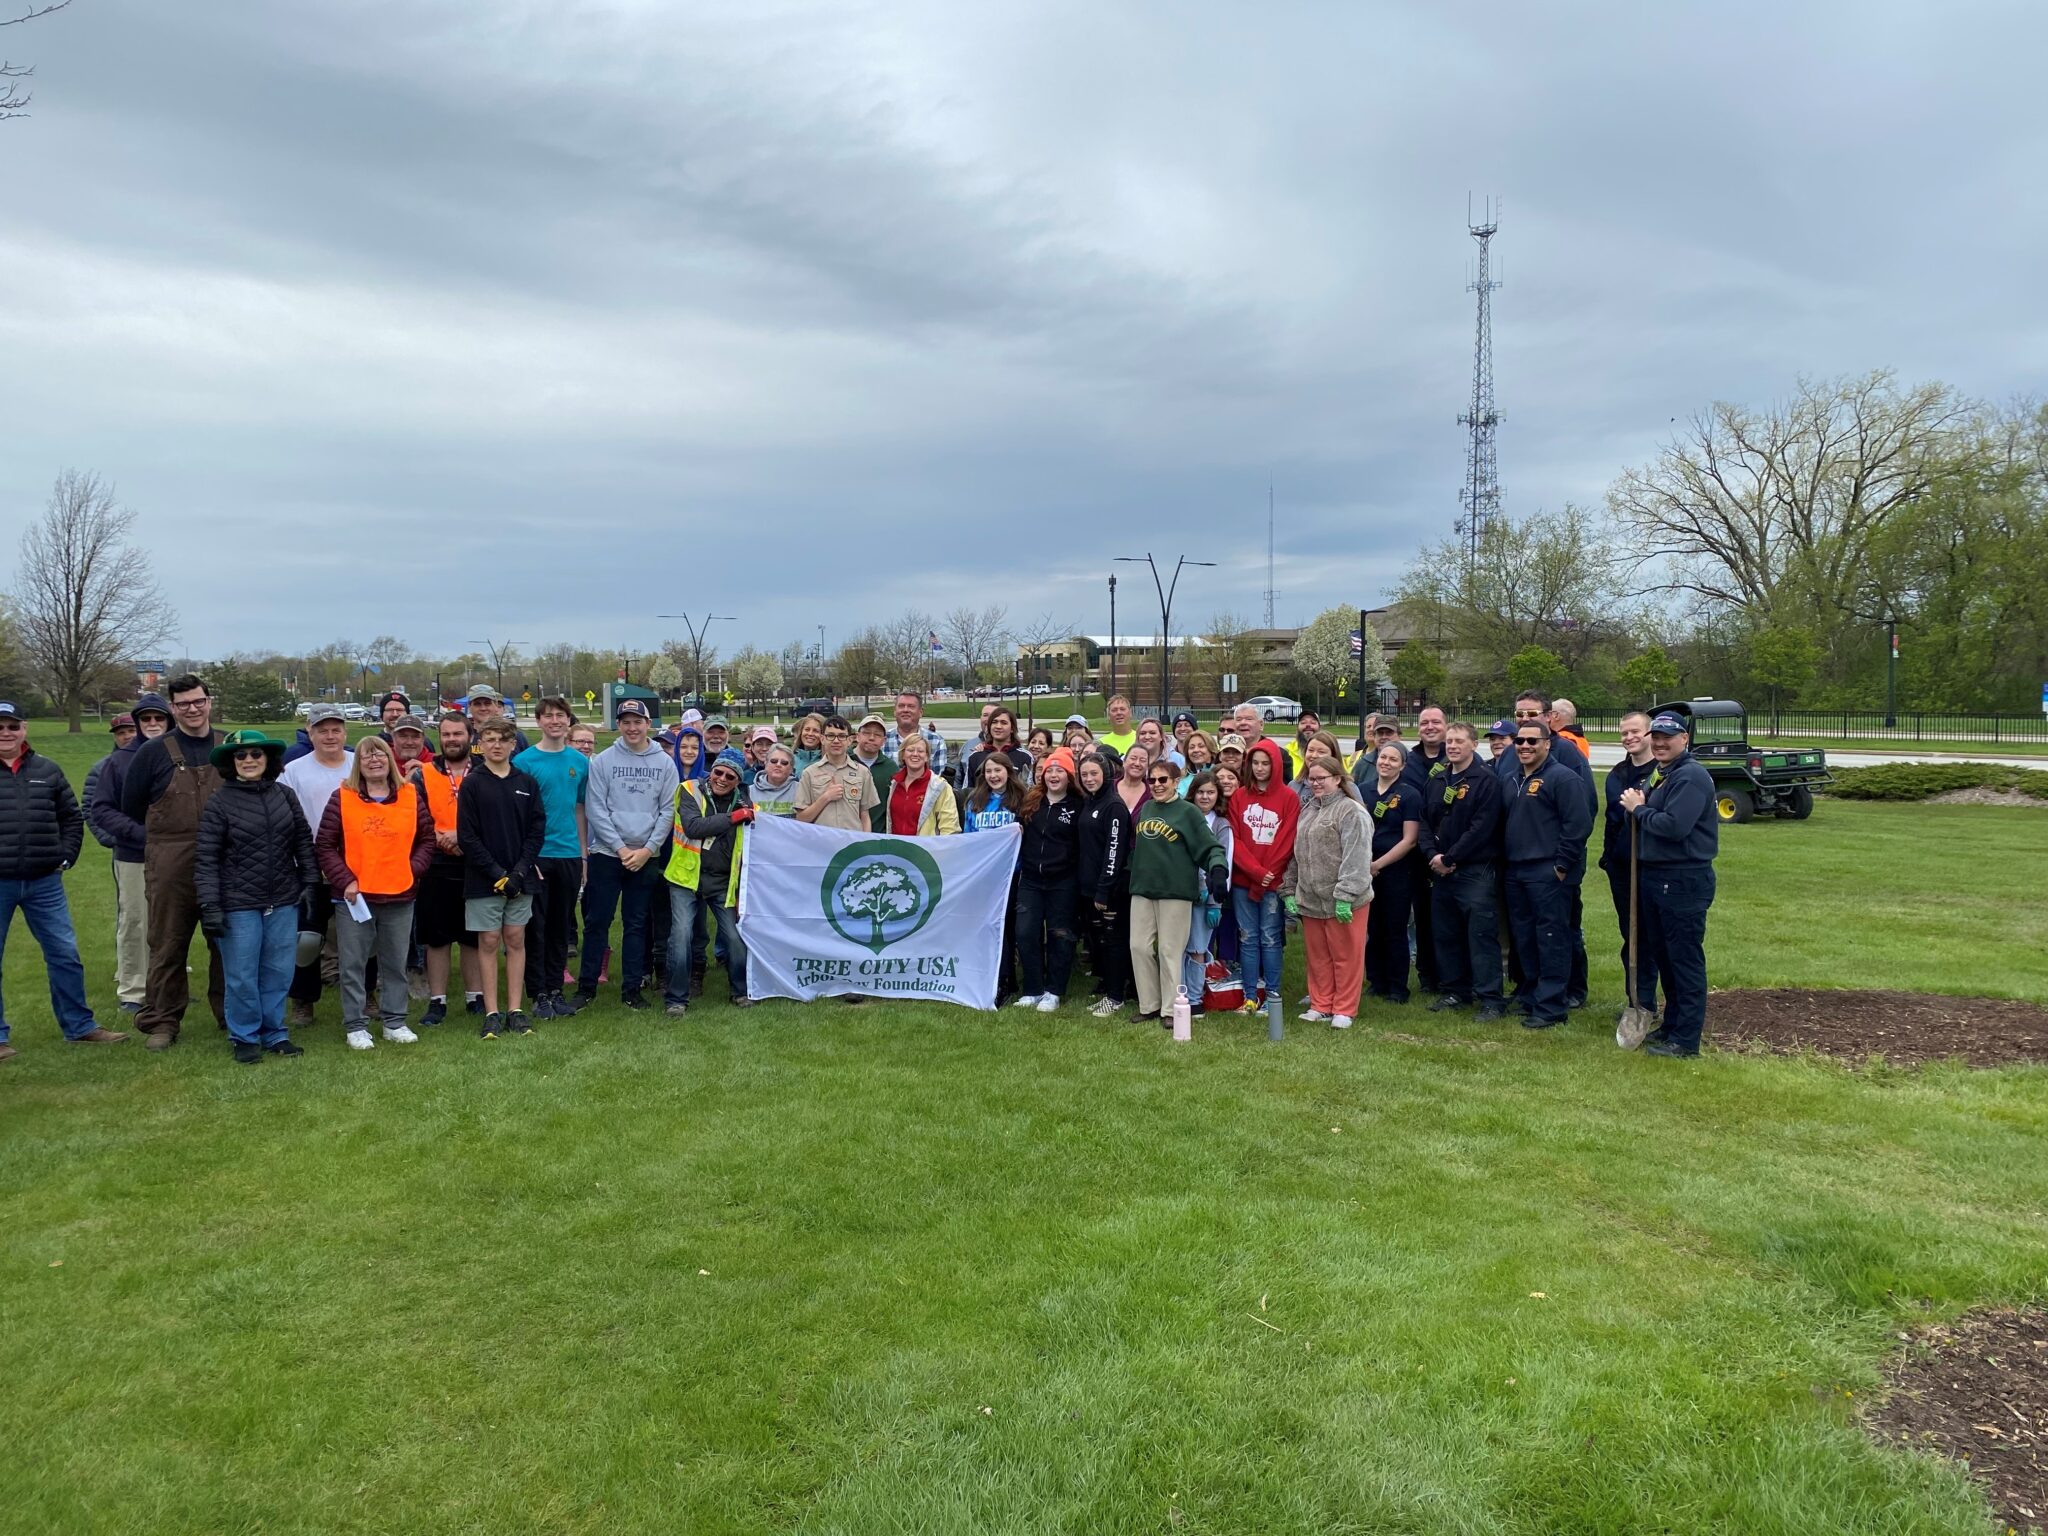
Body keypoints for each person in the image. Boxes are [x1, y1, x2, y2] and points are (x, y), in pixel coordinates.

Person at [0, 702, 129, 1061]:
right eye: (0, 726)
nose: (6, 733)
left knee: (65, 955)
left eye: (12, 726)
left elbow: (71, 817)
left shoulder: (47, 770)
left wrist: (66, 856)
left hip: (45, 881)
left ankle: (79, 1026)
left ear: (24, 729)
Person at [195, 729, 318, 1064]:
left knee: (278, 971)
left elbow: (303, 843)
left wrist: (310, 882)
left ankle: (275, 1032)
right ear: (231, 763)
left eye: (255, 754)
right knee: (241, 974)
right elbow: (206, 858)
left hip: (283, 898)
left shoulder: (285, 795)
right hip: (237, 902)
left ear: (268, 759)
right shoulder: (219, 802)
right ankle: (244, 1035)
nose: (248, 761)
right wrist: (209, 904)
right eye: (240, 756)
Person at [121, 672, 228, 1049]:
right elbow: (131, 806)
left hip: (224, 859)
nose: (193, 709)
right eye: (183, 704)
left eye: (199, 701)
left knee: (228, 941)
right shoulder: (152, 753)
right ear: (172, 708)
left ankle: (231, 1014)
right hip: (170, 859)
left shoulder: (228, 746)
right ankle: (162, 1021)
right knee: (167, 941)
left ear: (209, 702)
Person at [316, 734, 433, 1050]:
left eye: (380, 753)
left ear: (389, 758)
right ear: (358, 763)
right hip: (355, 898)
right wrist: (345, 881)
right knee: (352, 965)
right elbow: (325, 846)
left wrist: (412, 871)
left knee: (395, 963)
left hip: (399, 895)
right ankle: (355, 1025)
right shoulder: (342, 797)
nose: (374, 759)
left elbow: (426, 840)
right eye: (366, 755)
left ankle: (395, 1021)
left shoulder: (410, 795)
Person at [1618, 712, 1719, 1058]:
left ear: (1685, 739)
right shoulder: (1663, 774)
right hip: (1657, 877)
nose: (1660, 743)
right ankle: (1673, 1026)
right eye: (1656, 736)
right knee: (1665, 958)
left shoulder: (1690, 776)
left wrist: (1639, 810)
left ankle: (1686, 1040)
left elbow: (1675, 827)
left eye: (1668, 737)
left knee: (1684, 960)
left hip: (1683, 879)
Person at [579, 699, 677, 1011]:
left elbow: (668, 810)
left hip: (646, 856)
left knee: (636, 924)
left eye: (638, 721)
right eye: (626, 722)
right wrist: (621, 849)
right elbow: (596, 808)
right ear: (619, 725)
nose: (632, 728)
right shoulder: (604, 761)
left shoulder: (664, 763)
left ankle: (632, 989)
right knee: (597, 921)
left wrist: (647, 850)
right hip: (607, 854)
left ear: (648, 724)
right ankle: (586, 987)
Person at [1502, 722, 1593, 1029]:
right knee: (1524, 938)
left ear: (1547, 744)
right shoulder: (1512, 778)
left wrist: (1562, 865)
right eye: (1519, 740)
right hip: (1516, 871)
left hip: (1548, 872)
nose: (1524, 746)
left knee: (1551, 937)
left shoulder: (1562, 778)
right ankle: (1530, 995)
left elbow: (1577, 824)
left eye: (1532, 740)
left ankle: (1551, 1005)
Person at [459, 716, 545, 1037]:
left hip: (520, 878)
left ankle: (515, 1009)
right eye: (490, 739)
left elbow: (536, 831)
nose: (496, 745)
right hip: (484, 878)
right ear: (481, 744)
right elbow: (467, 836)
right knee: (489, 940)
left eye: (503, 739)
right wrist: (497, 874)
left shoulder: (526, 782)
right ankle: (491, 1011)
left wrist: (519, 872)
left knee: (515, 939)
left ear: (513, 744)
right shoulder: (473, 783)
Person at [1127, 760, 1228, 1024]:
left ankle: (1171, 1009)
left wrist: (1217, 869)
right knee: (1138, 946)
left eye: (1163, 780)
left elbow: (1210, 847)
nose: (1157, 785)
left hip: (1175, 891)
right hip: (1143, 889)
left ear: (1175, 781)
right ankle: (1149, 1004)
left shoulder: (1188, 812)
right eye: (1153, 781)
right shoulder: (1147, 808)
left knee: (1170, 951)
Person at [91, 691, 171, 1014]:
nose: (153, 723)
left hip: (176, 854)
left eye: (158, 718)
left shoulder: (178, 754)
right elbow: (101, 809)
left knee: (168, 923)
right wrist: (140, 834)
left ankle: (166, 984)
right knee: (136, 920)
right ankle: (134, 990)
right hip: (134, 853)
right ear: (137, 723)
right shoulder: (120, 760)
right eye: (146, 719)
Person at [1421, 722, 1506, 1020]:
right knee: (1446, 933)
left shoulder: (1485, 781)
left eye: (1459, 741)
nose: (1453, 746)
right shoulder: (1438, 780)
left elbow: (1482, 827)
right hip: (1441, 871)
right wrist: (1433, 855)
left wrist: (1452, 856)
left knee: (1480, 935)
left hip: (1475, 870)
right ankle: (1456, 990)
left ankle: (1491, 1000)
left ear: (1473, 745)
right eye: (1449, 741)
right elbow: (1424, 822)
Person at [663, 750, 756, 1014]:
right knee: (681, 936)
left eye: (731, 776)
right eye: (718, 772)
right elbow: (693, 827)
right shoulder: (689, 789)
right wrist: (733, 818)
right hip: (685, 877)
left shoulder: (745, 800)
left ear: (738, 780)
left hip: (722, 881)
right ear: (711, 771)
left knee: (735, 938)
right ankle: (676, 1000)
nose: (723, 779)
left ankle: (740, 991)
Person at [279, 702, 355, 1027]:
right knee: (308, 939)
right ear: (310, 733)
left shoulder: (358, 764)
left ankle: (367, 996)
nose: (329, 735)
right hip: (309, 865)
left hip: (355, 865)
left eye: (335, 729)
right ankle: (303, 1000)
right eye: (322, 729)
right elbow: (287, 821)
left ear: (344, 732)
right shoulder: (295, 770)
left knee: (362, 936)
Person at [513, 697, 589, 1021]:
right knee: (537, 927)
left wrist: (584, 855)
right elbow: (519, 815)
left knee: (561, 925)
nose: (555, 721)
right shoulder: (525, 762)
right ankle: (538, 992)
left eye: (561, 715)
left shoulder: (580, 762)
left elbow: (580, 809)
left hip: (569, 853)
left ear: (568, 721)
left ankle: (557, 989)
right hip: (538, 856)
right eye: (548, 716)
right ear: (539, 721)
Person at [1284, 758, 1373, 1028]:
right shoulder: (1308, 809)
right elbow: (1295, 853)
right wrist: (1290, 887)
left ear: (1338, 779)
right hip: (1311, 899)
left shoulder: (1351, 812)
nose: (1316, 783)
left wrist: (1346, 894)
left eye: (1322, 778)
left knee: (1346, 956)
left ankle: (1344, 1008)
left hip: (1344, 900)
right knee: (1318, 956)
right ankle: (1321, 1004)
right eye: (1312, 778)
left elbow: (1357, 857)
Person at [410, 713, 483, 1025]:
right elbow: (413, 814)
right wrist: (439, 838)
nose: (452, 739)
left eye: (458, 734)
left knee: (472, 936)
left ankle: (474, 997)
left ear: (470, 736)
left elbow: (493, 814)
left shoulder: (484, 771)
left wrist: (464, 839)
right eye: (446, 734)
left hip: (476, 862)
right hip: (436, 863)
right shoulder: (423, 774)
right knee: (436, 937)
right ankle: (437, 1002)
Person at [1228, 739, 1298, 1012]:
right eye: (1255, 763)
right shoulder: (1239, 797)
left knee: (1269, 938)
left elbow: (1286, 839)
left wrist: (1267, 875)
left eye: (1265, 763)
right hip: (1245, 881)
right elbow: (1234, 839)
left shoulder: (1288, 798)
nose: (1259, 768)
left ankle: (1272, 995)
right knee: (1247, 937)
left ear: (1275, 765)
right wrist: (1256, 872)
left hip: (1272, 882)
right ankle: (1249, 996)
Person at [1600, 710, 1661, 1017]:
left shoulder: (1660, 773)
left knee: (1651, 936)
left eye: (1635, 731)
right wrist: (1608, 857)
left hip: (1652, 866)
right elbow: (1613, 821)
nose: (1629, 737)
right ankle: (1635, 1000)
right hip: (1623, 867)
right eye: (1624, 733)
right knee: (1631, 934)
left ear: (1650, 734)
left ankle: (1649, 1001)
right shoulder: (1617, 775)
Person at [1012, 749, 1082, 1013]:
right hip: (1030, 880)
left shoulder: (1077, 806)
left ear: (1068, 776)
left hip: (1063, 882)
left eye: (1060, 771)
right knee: (1026, 933)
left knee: (1060, 936)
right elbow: (1017, 830)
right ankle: (1032, 989)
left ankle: (1054, 991)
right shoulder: (1032, 801)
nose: (1053, 775)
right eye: (1049, 770)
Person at [1361, 741, 1421, 1004]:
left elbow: (1409, 839)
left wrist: (1378, 864)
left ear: (1403, 765)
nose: (1386, 762)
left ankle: (1398, 987)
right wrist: (1364, 864)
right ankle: (1376, 980)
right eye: (1383, 757)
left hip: (1395, 870)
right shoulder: (1363, 791)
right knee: (1371, 927)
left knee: (1395, 928)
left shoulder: (1409, 795)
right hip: (1364, 869)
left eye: (1393, 759)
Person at [1076, 749, 1132, 1017]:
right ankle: (1107, 989)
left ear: (1106, 774)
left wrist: (1104, 889)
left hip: (1110, 890)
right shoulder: (1090, 802)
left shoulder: (1114, 806)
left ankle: (1116, 996)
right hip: (1087, 886)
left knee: (1114, 942)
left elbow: (1114, 851)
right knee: (1099, 942)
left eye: (1094, 773)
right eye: (1084, 774)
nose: (1089, 778)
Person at [1179, 770, 1233, 1010]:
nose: (1205, 797)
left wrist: (1214, 902)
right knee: (1177, 946)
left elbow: (1223, 864)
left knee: (1198, 948)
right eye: (1200, 792)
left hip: (1206, 899)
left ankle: (1195, 998)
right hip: (1180, 894)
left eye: (1210, 792)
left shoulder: (1221, 825)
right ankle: (1177, 993)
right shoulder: (1183, 819)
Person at [795, 715, 881, 831]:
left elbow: (865, 816)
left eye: (841, 736)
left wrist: (865, 845)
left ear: (850, 740)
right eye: (830, 735)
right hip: (821, 844)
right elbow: (801, 818)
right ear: (822, 739)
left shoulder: (863, 772)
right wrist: (825, 797)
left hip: (852, 843)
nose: (836, 741)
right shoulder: (809, 773)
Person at [83, 712, 136, 854]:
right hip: (125, 850)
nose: (127, 736)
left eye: (132, 730)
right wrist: (110, 839)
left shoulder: (159, 760)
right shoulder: (102, 768)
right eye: (121, 733)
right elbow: (90, 808)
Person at [888, 735, 960, 835]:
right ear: (903, 755)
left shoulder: (940, 787)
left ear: (927, 757)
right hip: (896, 848)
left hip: (925, 849)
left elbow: (950, 828)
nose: (915, 754)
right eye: (910, 750)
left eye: (920, 751)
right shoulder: (894, 785)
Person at [965, 707, 1032, 791]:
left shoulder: (1025, 757)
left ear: (1012, 728)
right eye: (994, 722)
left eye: (1004, 723)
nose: (998, 726)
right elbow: (967, 791)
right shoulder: (975, 756)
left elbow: (1032, 790)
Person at [885, 691, 949, 778]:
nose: (905, 710)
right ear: (895, 711)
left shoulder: (935, 741)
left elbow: (937, 780)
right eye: (901, 706)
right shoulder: (883, 740)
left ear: (920, 712)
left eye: (911, 706)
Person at [853, 714, 898, 832]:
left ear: (884, 741)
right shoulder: (844, 760)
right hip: (845, 835)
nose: (872, 738)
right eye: (866, 733)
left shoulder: (891, 769)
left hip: (878, 837)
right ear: (857, 736)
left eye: (877, 734)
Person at [465, 684, 530, 751]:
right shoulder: (462, 736)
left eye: (487, 703)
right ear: (469, 707)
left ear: (496, 705)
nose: (483, 708)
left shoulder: (514, 735)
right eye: (477, 704)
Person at [748, 744, 803, 818]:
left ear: (791, 768)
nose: (778, 765)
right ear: (766, 763)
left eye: (784, 763)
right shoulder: (748, 792)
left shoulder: (800, 790)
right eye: (774, 761)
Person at [1287, 708, 1323, 776]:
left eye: (1313, 723)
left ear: (1320, 727)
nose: (1308, 726)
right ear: (1297, 727)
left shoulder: (1329, 752)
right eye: (1303, 723)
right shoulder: (1287, 754)